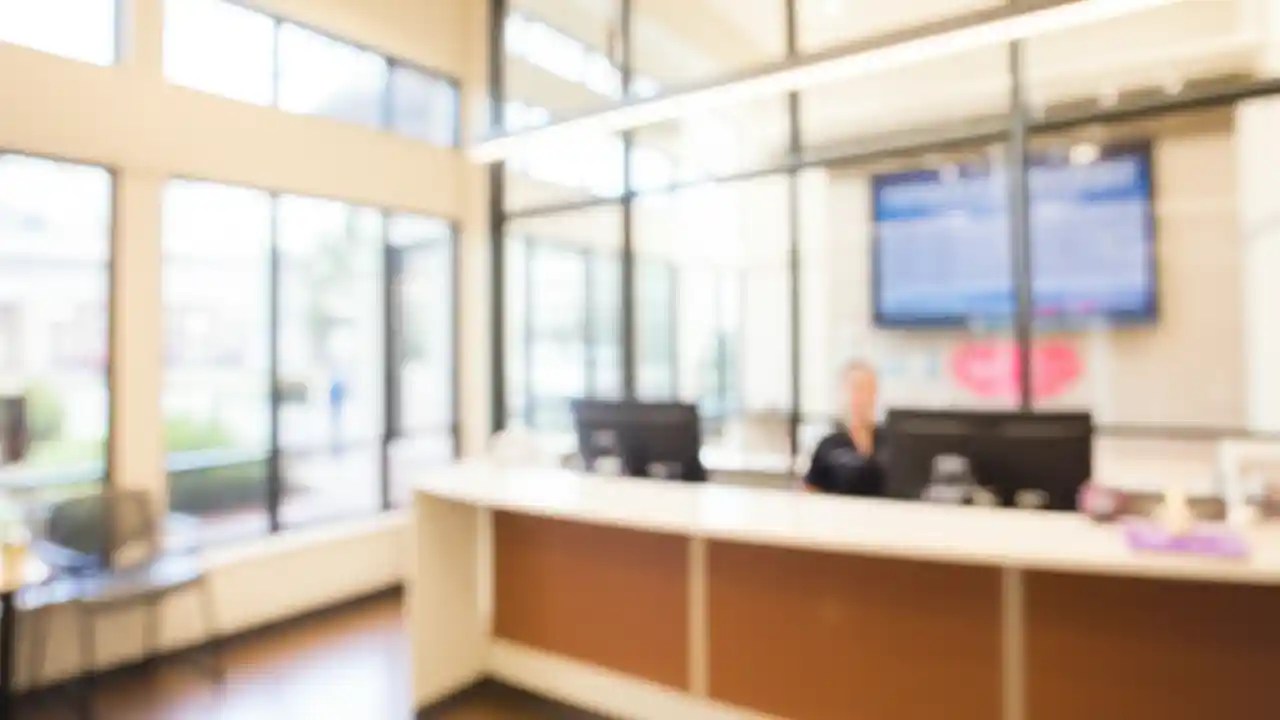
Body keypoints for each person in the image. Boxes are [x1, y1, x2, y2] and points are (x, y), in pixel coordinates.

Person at [805, 360, 888, 496]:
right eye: (856, 388)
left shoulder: (891, 442)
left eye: (868, 389)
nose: (862, 397)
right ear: (843, 392)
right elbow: (810, 490)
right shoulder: (828, 446)